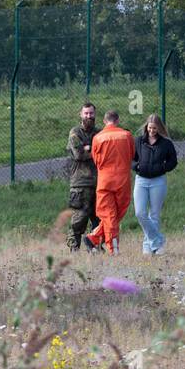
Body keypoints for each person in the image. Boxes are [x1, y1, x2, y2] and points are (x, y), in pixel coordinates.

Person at [86, 110, 135, 255]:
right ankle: (113, 248)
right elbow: (131, 155)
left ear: (104, 121)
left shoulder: (98, 138)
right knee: (115, 216)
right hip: (123, 181)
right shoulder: (127, 135)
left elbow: (95, 160)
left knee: (109, 217)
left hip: (105, 181)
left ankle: (94, 238)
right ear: (118, 120)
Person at [132, 113, 177, 255]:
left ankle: (149, 247)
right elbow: (131, 159)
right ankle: (158, 241)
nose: (152, 131)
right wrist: (136, 167)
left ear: (159, 128)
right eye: (150, 128)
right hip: (141, 180)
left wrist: (162, 168)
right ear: (146, 127)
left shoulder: (166, 143)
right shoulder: (138, 141)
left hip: (158, 181)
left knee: (154, 215)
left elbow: (173, 161)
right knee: (140, 213)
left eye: (155, 128)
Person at [65, 101, 100, 251]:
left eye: (91, 113)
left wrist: (88, 148)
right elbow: (79, 154)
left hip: (99, 181)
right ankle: (74, 247)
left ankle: (95, 246)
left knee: (98, 217)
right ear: (81, 114)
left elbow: (105, 153)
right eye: (86, 113)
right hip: (80, 183)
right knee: (79, 217)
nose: (89, 116)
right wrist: (95, 150)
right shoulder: (75, 133)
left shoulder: (100, 133)